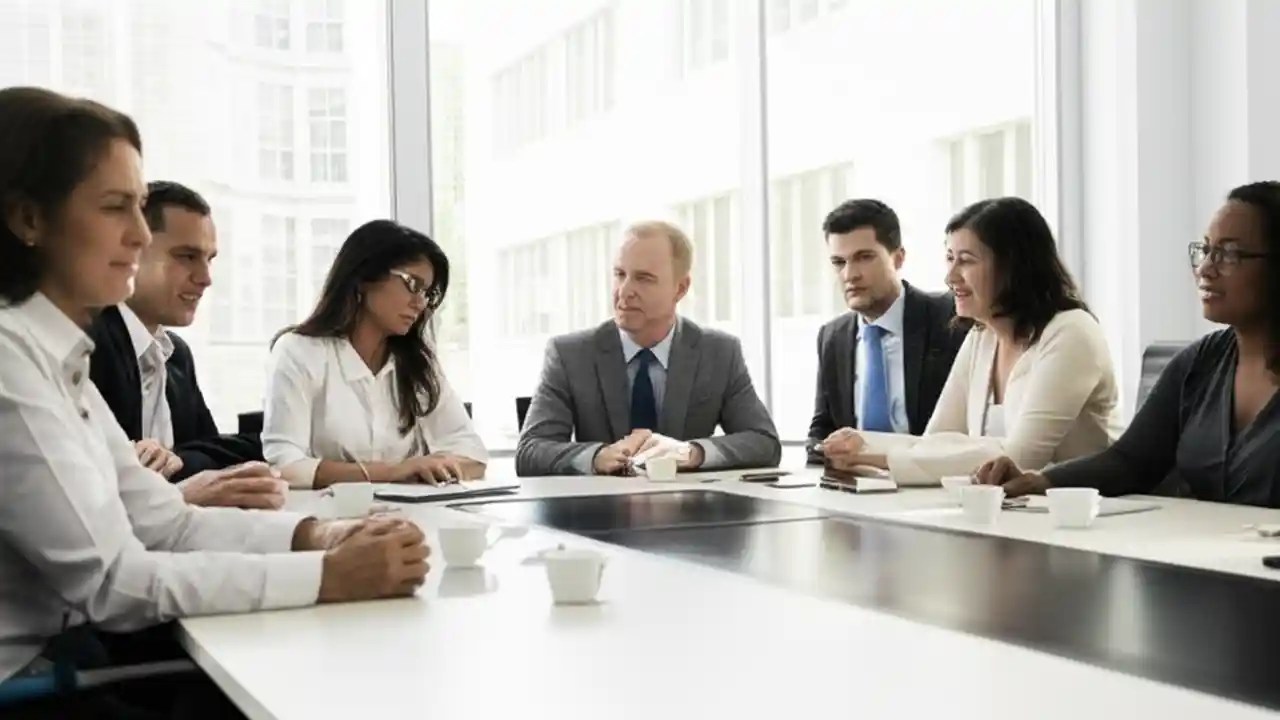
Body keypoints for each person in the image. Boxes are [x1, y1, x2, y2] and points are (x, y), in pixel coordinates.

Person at [0, 87, 428, 714]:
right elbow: (112, 582)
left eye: (139, 207)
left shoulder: (59, 360)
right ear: (29, 219)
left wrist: (320, 533)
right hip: (30, 683)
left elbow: (167, 523)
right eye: (116, 207)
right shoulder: (11, 363)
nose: (139, 234)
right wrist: (329, 575)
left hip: (66, 657)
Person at [978, 182, 1280, 507]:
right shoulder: (1200, 362)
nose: (1206, 268)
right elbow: (1130, 461)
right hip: (1199, 540)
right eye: (1206, 250)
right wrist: (1039, 481)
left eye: (1229, 254)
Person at [820, 197, 1122, 484]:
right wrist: (863, 442)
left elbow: (1018, 458)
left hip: (1091, 512)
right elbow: (935, 442)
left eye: (965, 261)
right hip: (1009, 510)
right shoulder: (982, 336)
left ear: (1013, 266)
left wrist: (880, 457)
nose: (950, 277)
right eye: (950, 259)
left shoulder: (1071, 332)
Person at [516, 220, 781, 477]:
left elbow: (764, 443)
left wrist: (690, 452)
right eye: (620, 274)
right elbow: (530, 451)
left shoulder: (719, 353)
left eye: (644, 279)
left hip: (689, 504)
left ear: (680, 288)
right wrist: (596, 457)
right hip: (599, 505)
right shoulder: (570, 355)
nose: (624, 291)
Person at [88, 180, 279, 510]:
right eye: (187, 256)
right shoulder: (87, 342)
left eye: (209, 259)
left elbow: (215, 452)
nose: (205, 277)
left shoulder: (175, 354)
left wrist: (175, 459)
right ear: (131, 250)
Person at [263, 219, 487, 489]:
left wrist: (431, 468)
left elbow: (473, 455)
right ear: (364, 278)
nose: (420, 303)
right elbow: (285, 467)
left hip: (412, 510)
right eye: (412, 284)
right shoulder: (299, 351)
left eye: (427, 293)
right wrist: (395, 471)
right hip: (327, 513)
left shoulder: (418, 364)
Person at [808, 199, 966, 464]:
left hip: (930, 478)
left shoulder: (950, 317)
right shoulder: (832, 336)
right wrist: (823, 452)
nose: (849, 275)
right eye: (839, 262)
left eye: (864, 257)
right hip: (854, 482)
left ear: (898, 257)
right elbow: (821, 429)